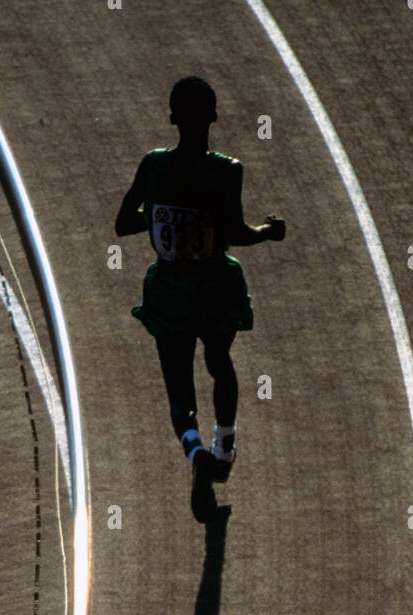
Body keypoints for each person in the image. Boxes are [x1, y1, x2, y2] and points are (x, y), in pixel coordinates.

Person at [115, 76, 286, 520]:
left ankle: (196, 456)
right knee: (219, 364)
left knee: (178, 389)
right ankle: (224, 446)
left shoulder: (152, 166)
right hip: (214, 288)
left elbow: (123, 222)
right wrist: (269, 232)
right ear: (213, 116)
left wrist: (158, 215)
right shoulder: (227, 170)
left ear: (171, 117)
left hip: (169, 291)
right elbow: (234, 233)